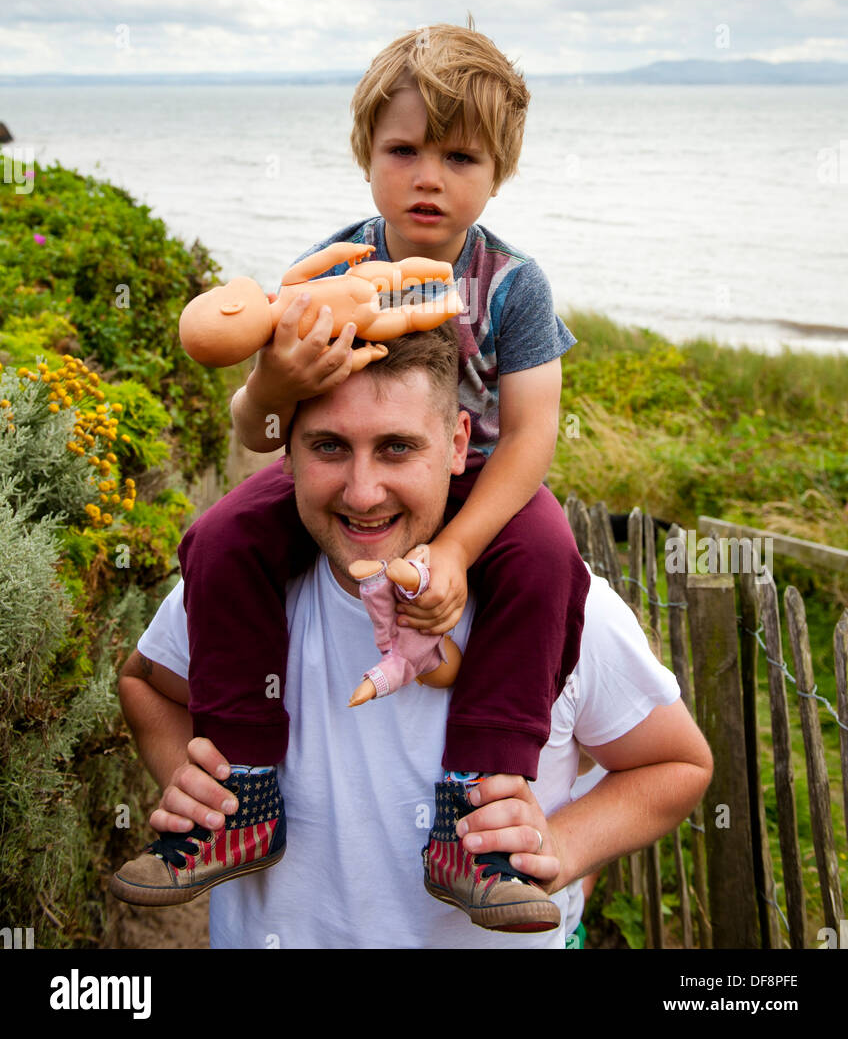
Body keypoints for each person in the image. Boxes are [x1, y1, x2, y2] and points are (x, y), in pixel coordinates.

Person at [114, 20, 593, 926]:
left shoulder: (514, 286)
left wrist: (455, 549)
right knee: (221, 536)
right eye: (403, 149)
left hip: (473, 482)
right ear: (365, 154)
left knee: (546, 556)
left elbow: (531, 437)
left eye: (460, 156)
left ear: (500, 172)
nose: (428, 176)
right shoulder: (337, 267)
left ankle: (472, 813)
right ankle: (244, 793)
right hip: (354, 463)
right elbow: (259, 432)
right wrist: (272, 383)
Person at [113, 331, 713, 950]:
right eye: (329, 446)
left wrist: (560, 848)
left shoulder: (555, 599)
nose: (363, 492)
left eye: (397, 448)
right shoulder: (239, 589)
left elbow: (677, 764)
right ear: (286, 451)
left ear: (458, 444)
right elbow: (143, 684)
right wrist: (202, 793)